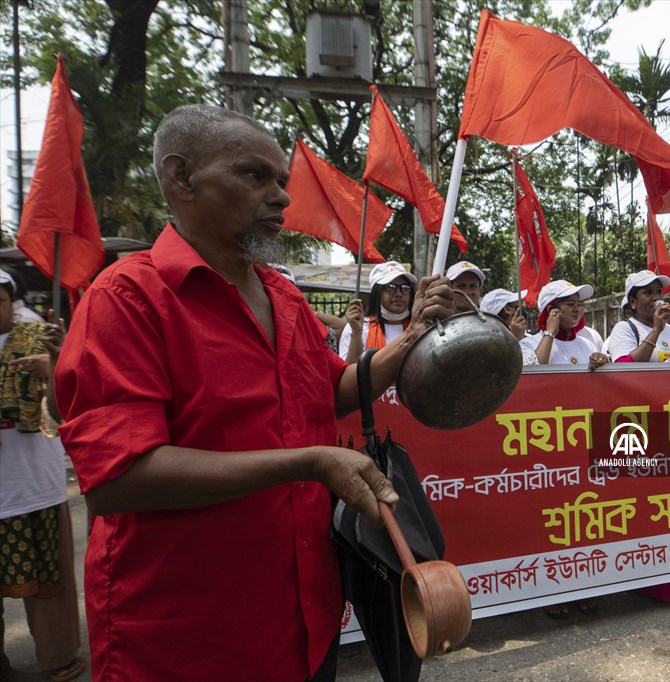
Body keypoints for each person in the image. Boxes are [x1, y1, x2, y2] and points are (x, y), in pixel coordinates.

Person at [52, 104, 455, 680]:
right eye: (253, 175)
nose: (281, 198)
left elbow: (335, 391)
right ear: (181, 177)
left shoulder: (283, 297)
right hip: (189, 640)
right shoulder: (125, 300)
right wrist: (311, 462)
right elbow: (118, 479)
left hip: (305, 624)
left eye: (282, 181)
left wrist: (412, 338)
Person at [1, 269, 84, 682]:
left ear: (10, 302)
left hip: (33, 485)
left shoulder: (40, 337)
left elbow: (67, 410)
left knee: (50, 583)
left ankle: (58, 656)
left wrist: (55, 363)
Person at [605, 270, 670, 365]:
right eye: (648, 293)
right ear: (633, 302)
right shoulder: (624, 328)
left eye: (659, 292)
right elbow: (622, 367)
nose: (656, 297)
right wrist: (656, 331)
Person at [338, 260, 417, 364]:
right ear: (377, 293)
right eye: (391, 288)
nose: (399, 294)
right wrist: (357, 333)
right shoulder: (357, 328)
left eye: (405, 288)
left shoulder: (419, 327)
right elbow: (348, 375)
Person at [520, 280, 609, 370]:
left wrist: (603, 362)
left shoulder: (588, 344)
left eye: (578, 304)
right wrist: (550, 333)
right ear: (551, 310)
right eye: (570, 304)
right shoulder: (529, 344)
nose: (577, 309)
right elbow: (532, 373)